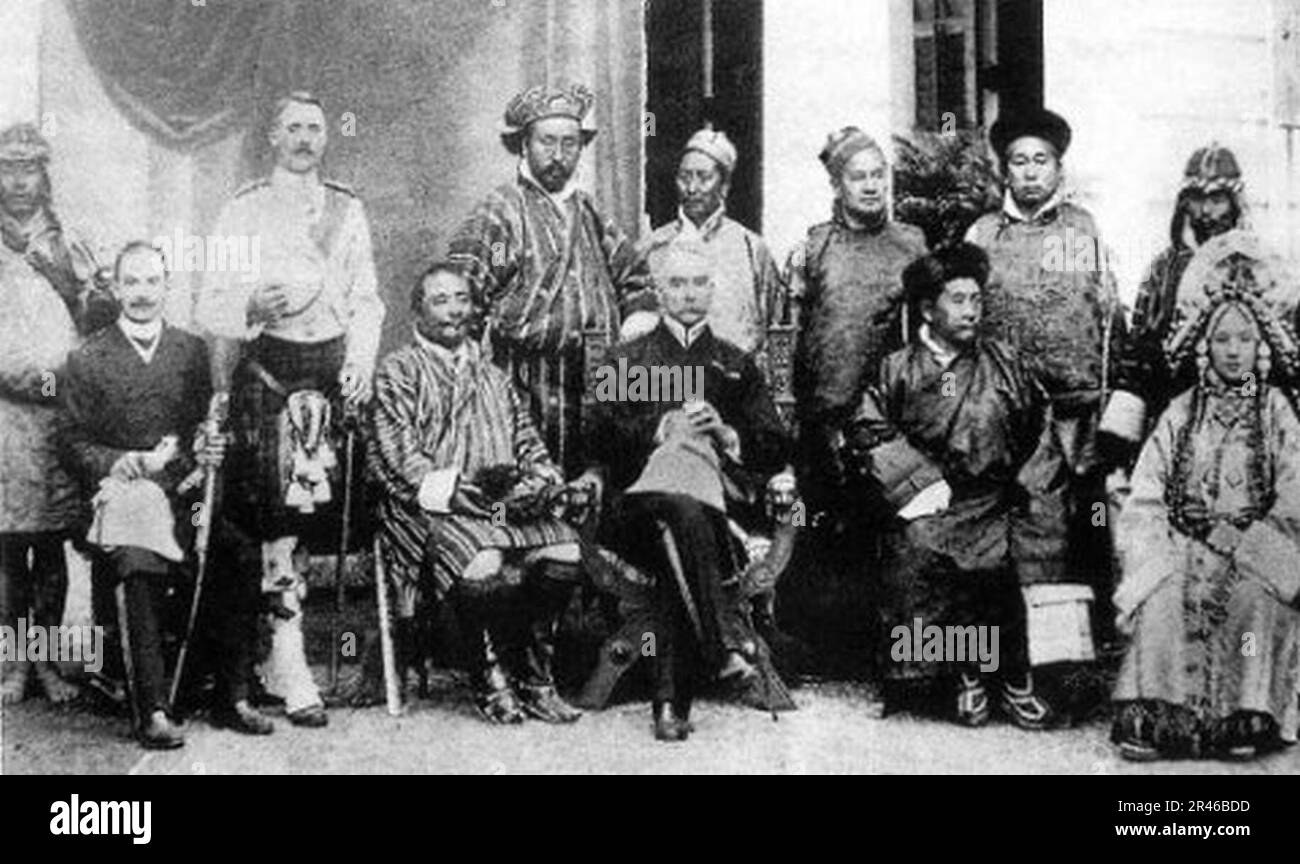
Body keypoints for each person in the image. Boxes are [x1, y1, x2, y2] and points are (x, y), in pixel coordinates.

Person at [196, 91, 385, 728]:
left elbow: (366, 297)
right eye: (294, 128)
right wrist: (250, 305)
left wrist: (360, 361)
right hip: (267, 373)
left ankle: (285, 656)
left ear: (326, 139)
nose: (305, 139)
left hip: (328, 376)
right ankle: (281, 655)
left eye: (315, 129)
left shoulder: (346, 207)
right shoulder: (244, 207)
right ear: (273, 137)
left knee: (308, 518)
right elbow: (210, 301)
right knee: (270, 520)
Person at [843, 243, 1066, 729]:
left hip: (997, 499)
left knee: (1009, 557)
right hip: (929, 501)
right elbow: (868, 431)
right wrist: (921, 485)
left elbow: (1041, 431)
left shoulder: (1006, 363)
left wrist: (1030, 492)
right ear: (928, 308)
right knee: (919, 549)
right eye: (958, 300)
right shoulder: (896, 369)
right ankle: (954, 674)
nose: (971, 311)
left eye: (976, 300)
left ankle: (1010, 677)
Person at [64, 242, 274, 748]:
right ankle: (152, 708)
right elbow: (71, 442)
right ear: (115, 289)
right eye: (131, 282)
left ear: (167, 288)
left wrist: (209, 444)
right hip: (119, 500)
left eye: (151, 282)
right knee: (138, 562)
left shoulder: (191, 351)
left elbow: (206, 424)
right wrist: (116, 460)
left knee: (238, 552)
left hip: (182, 496)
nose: (141, 293)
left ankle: (233, 694)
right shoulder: (86, 357)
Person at [583, 241, 792, 741]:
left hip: (718, 515)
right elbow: (596, 439)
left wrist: (725, 433)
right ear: (658, 292)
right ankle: (720, 648)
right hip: (637, 506)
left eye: (700, 283)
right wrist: (658, 429)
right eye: (677, 284)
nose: (690, 294)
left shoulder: (734, 364)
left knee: (682, 523)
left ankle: (670, 703)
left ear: (713, 291)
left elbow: (774, 445)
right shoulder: (629, 360)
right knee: (678, 512)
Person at [368, 262, 585, 725]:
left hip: (498, 507)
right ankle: (488, 673)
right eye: (440, 300)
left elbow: (528, 442)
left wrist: (540, 482)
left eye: (462, 299)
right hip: (426, 508)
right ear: (417, 315)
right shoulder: (398, 371)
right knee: (481, 559)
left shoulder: (495, 376)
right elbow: (399, 457)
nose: (454, 310)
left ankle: (534, 674)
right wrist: (455, 491)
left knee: (565, 548)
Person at [1111, 237, 1300, 762]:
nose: (1233, 349)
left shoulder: (1277, 412)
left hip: (1254, 548)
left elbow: (1295, 494)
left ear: (1261, 345)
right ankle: (1160, 715)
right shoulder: (1180, 411)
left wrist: (1247, 540)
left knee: (1254, 600)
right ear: (1204, 346)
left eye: (1244, 338)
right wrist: (1157, 544)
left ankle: (1244, 714)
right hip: (1183, 540)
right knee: (1162, 590)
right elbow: (1147, 490)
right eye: (1222, 339)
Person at [965, 108, 1127, 639]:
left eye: (1042, 161)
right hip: (1010, 406)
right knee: (1023, 514)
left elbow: (1103, 311)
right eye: (1019, 162)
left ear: (1059, 169)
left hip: (1076, 401)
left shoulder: (1081, 228)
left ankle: (1088, 637)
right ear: (1004, 172)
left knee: (1086, 516)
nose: (1031, 172)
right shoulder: (985, 233)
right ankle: (1017, 635)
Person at [447, 83, 656, 476]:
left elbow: (638, 282)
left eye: (570, 143)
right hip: (526, 387)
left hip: (597, 389)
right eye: (547, 142)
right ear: (524, 144)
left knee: (597, 495)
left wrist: (629, 335)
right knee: (533, 496)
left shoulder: (592, 214)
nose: (558, 155)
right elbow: (462, 293)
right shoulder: (502, 213)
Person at [783, 126, 927, 689]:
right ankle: (819, 651)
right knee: (819, 528)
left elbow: (925, 329)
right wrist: (792, 409)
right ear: (837, 185)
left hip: (886, 417)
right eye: (857, 176)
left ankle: (886, 654)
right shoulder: (813, 245)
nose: (870, 186)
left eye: (878, 175)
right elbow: (788, 332)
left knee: (884, 527)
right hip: (821, 413)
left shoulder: (911, 244)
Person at [0, 122, 114, 703]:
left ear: (46, 174)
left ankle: (46, 663)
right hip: (5, 421)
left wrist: (92, 293)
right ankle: (13, 666)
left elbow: (99, 323)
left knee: (50, 546)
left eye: (29, 168)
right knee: (6, 549)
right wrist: (44, 379)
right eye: (7, 168)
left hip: (59, 422)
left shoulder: (70, 239)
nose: (19, 181)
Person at [1104, 144, 1274, 450]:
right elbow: (1139, 355)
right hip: (1174, 412)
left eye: (1217, 199)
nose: (1207, 211)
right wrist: (1119, 442)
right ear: (1185, 203)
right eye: (1197, 199)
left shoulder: (1260, 266)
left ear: (1235, 203)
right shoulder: (1164, 268)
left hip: (1247, 415)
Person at [640, 129, 785, 354]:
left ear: (724, 186)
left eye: (703, 177)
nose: (691, 188)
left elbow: (776, 327)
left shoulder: (751, 249)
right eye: (685, 177)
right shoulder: (653, 248)